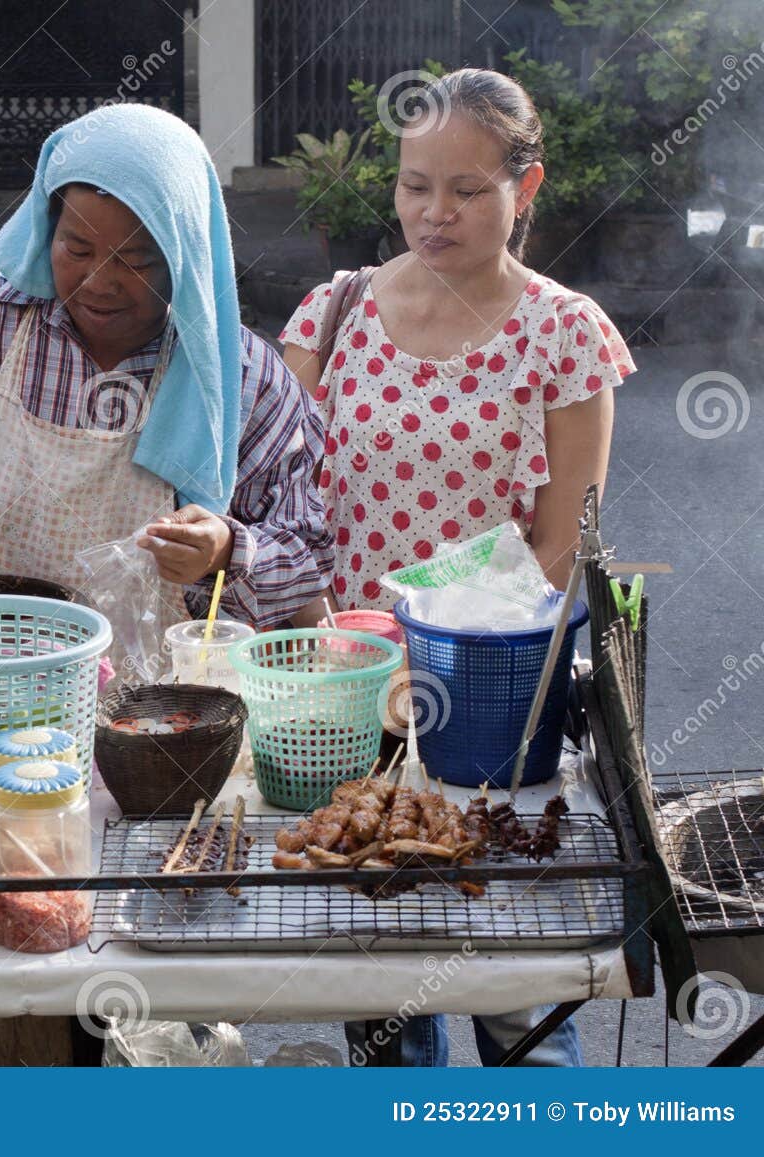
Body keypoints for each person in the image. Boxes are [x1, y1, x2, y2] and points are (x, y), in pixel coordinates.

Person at [280, 68, 636, 1066]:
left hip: (494, 703)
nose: (432, 214)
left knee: (517, 987)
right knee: (384, 983)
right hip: (353, 692)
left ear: (524, 188)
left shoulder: (563, 331)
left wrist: (459, 663)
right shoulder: (331, 314)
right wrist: (333, 645)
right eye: (412, 185)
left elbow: (563, 544)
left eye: (466, 190)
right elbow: (285, 505)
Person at [0, 104, 332, 628]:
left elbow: (308, 558)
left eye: (135, 261)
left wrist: (228, 551)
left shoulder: (245, 380)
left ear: (183, 257)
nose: (99, 281)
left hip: (166, 702)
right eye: (77, 248)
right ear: (48, 231)